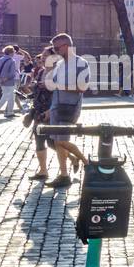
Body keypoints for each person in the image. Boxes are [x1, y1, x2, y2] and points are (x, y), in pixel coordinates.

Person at [43, 34, 91, 188]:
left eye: (57, 48)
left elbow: (82, 88)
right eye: (54, 49)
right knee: (57, 142)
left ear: (67, 46)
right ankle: (64, 175)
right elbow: (54, 88)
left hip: (69, 107)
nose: (55, 51)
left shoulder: (81, 63)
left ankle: (86, 163)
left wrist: (62, 86)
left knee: (62, 140)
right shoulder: (59, 65)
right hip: (57, 107)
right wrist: (50, 109)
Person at [26, 47, 55, 182]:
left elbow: (59, 95)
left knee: (53, 143)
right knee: (39, 140)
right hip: (38, 112)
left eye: (46, 55)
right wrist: (31, 113)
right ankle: (43, 171)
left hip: (51, 112)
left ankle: (74, 158)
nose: (42, 57)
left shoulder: (57, 74)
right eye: (42, 55)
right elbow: (37, 94)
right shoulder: (41, 72)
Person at [0, 45, 20, 119]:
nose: (14, 53)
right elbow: (12, 74)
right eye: (14, 52)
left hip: (2, 82)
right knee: (11, 97)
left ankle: (0, 110)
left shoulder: (0, 59)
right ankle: (9, 112)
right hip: (10, 82)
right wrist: (6, 79)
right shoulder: (12, 61)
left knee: (5, 95)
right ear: (11, 52)